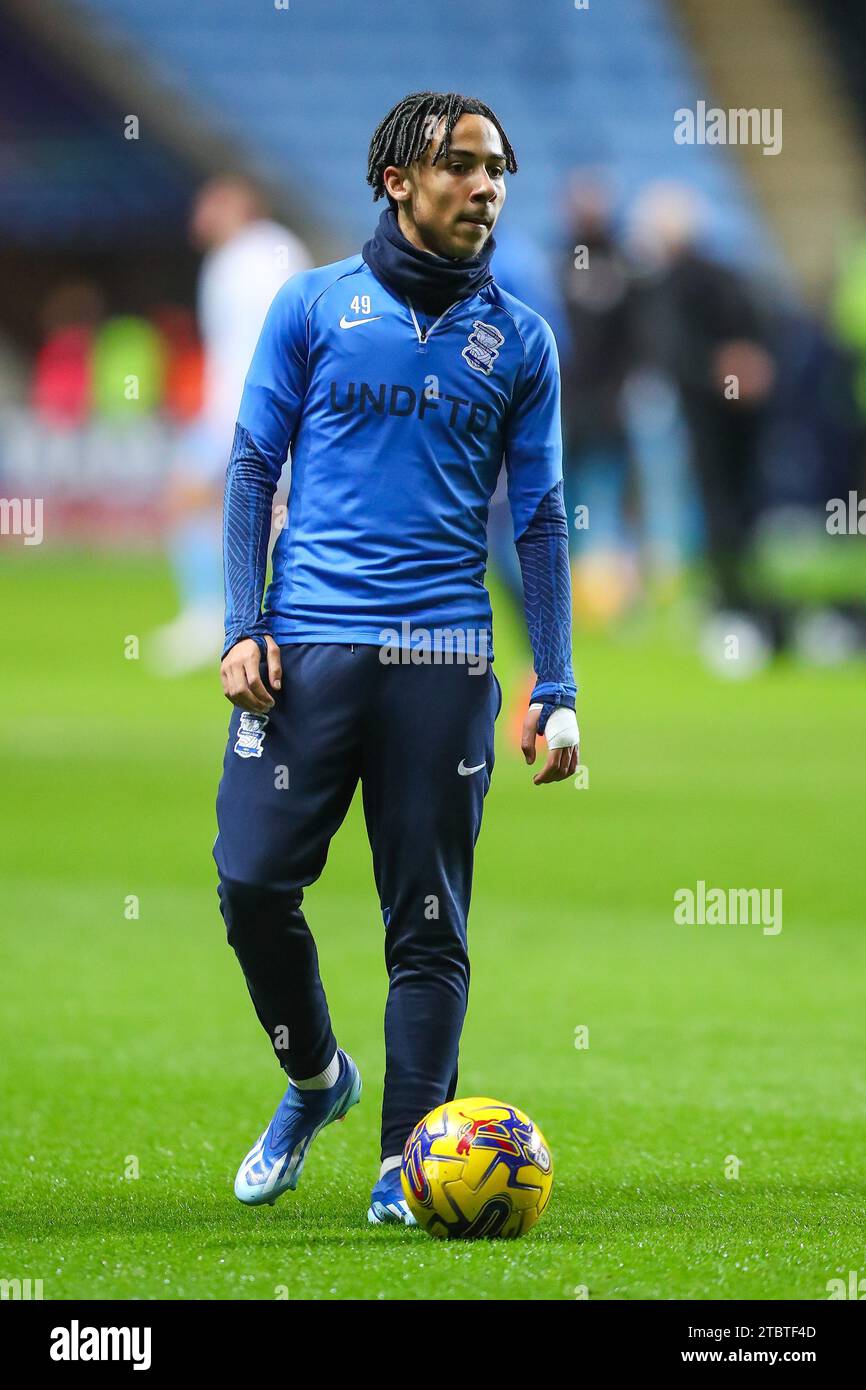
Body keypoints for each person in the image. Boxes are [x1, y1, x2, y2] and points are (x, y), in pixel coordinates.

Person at [212, 92, 579, 1225]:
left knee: (426, 925)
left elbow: (541, 519)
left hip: (444, 659)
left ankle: (400, 1164)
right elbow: (247, 469)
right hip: (308, 648)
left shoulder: (518, 339)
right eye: (462, 167)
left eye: (497, 170)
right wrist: (240, 622)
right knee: (251, 884)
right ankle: (317, 1079)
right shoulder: (313, 305)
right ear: (396, 179)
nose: (485, 188)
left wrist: (554, 685)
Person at [150, 175, 311, 675]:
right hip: (260, 406)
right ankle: (269, 618)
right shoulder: (273, 252)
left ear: (237, 206)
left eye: (210, 204)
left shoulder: (247, 259)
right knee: (269, 512)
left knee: (192, 499)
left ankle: (208, 615)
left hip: (242, 409)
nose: (200, 215)